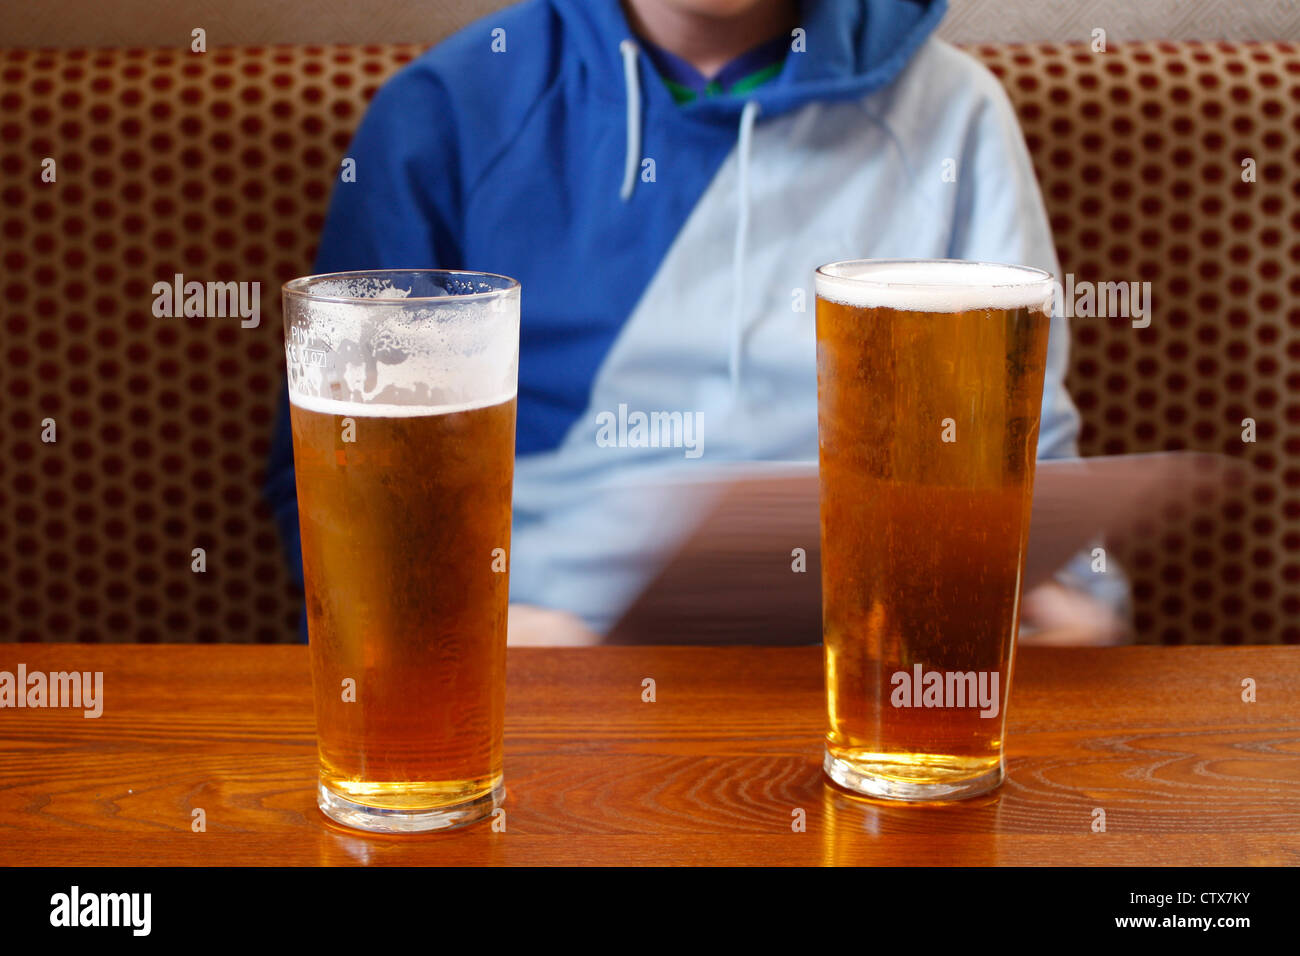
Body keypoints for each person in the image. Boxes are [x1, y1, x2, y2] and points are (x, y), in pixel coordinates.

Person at [265, 0, 1130, 645]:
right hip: (550, 659)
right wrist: (462, 635)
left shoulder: (957, 114)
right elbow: (339, 477)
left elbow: (1028, 455)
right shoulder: (449, 111)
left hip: (879, 658)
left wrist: (1077, 605)